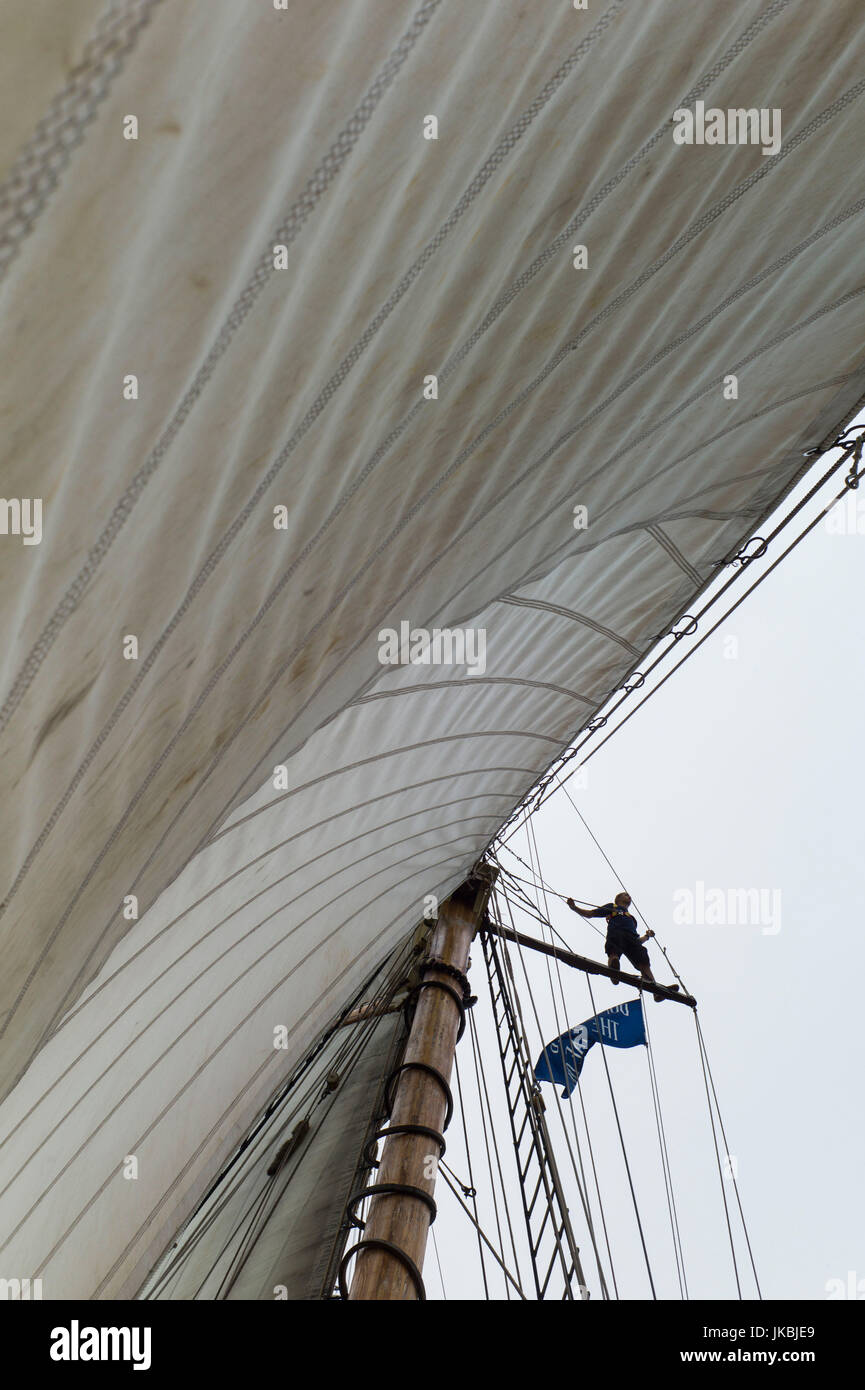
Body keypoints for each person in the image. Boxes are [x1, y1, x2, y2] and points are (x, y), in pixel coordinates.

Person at [565, 891, 676, 1002]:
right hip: (617, 932)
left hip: (632, 938)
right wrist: (574, 908)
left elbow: (638, 940)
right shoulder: (612, 907)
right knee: (614, 951)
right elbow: (591, 914)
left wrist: (647, 936)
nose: (629, 896)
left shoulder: (632, 919)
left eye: (629, 896)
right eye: (626, 895)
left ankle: (655, 991)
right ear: (618, 899)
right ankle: (613, 971)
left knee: (643, 960)